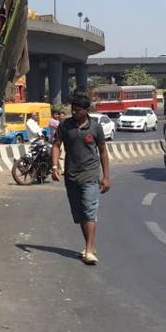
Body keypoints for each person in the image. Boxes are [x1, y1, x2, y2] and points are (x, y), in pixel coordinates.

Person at [50, 91, 110, 265]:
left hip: (90, 174)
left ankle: (89, 250)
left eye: (77, 110)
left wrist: (106, 176)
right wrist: (54, 166)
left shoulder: (95, 127)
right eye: (72, 109)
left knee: (90, 211)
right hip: (71, 175)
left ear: (86, 110)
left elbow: (103, 152)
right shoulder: (64, 125)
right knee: (80, 214)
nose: (74, 112)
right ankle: (90, 246)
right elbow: (56, 145)